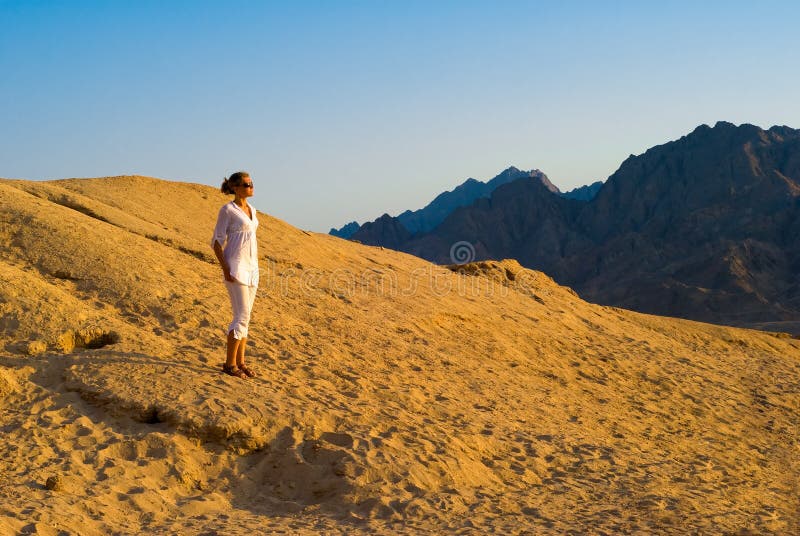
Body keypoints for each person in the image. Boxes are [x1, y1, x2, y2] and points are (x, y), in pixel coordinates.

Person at [211, 171, 259, 379]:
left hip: (252, 268)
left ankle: (241, 362)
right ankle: (229, 364)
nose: (251, 187)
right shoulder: (227, 210)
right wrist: (225, 268)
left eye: (252, 183)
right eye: (247, 184)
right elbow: (216, 242)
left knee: (246, 318)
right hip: (236, 267)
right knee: (241, 316)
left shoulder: (252, 210)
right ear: (236, 187)